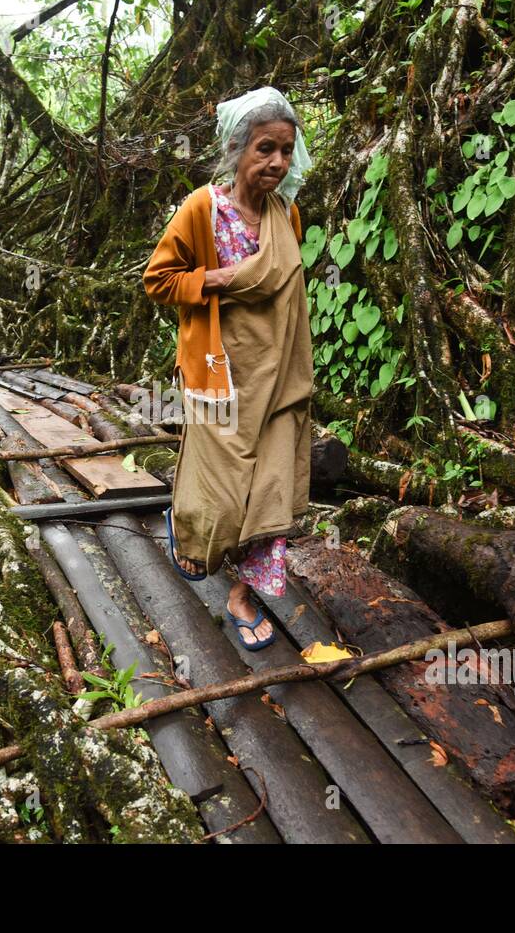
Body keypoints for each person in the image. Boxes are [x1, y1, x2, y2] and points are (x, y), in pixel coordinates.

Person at [141, 86, 314, 651]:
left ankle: (243, 594)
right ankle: (191, 536)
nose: (277, 163)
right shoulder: (203, 209)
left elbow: (289, 296)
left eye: (286, 151)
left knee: (269, 489)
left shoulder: (286, 212)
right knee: (219, 490)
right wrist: (211, 280)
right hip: (221, 371)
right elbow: (158, 280)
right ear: (238, 149)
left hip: (279, 376)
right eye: (265, 149)